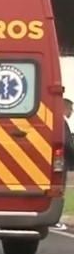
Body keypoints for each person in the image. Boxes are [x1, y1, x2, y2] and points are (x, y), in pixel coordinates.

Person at [54, 98, 74, 230]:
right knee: (59, 191)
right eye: (71, 109)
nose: (71, 112)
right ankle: (56, 218)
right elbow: (67, 144)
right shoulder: (61, 122)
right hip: (61, 163)